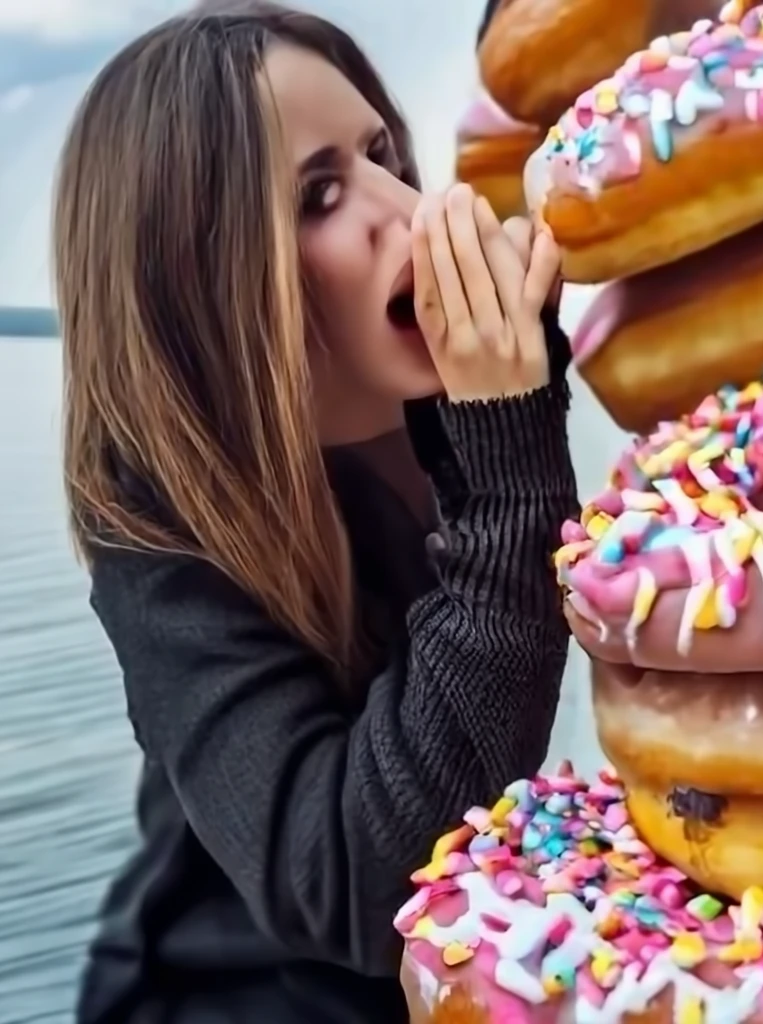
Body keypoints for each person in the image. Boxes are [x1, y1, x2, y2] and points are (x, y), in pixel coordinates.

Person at [55, 4, 578, 1022]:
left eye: (385, 153)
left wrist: (519, 396)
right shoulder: (156, 528)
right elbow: (360, 882)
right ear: (201, 283)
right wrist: (511, 457)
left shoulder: (430, 418)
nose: (405, 206)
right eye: (320, 194)